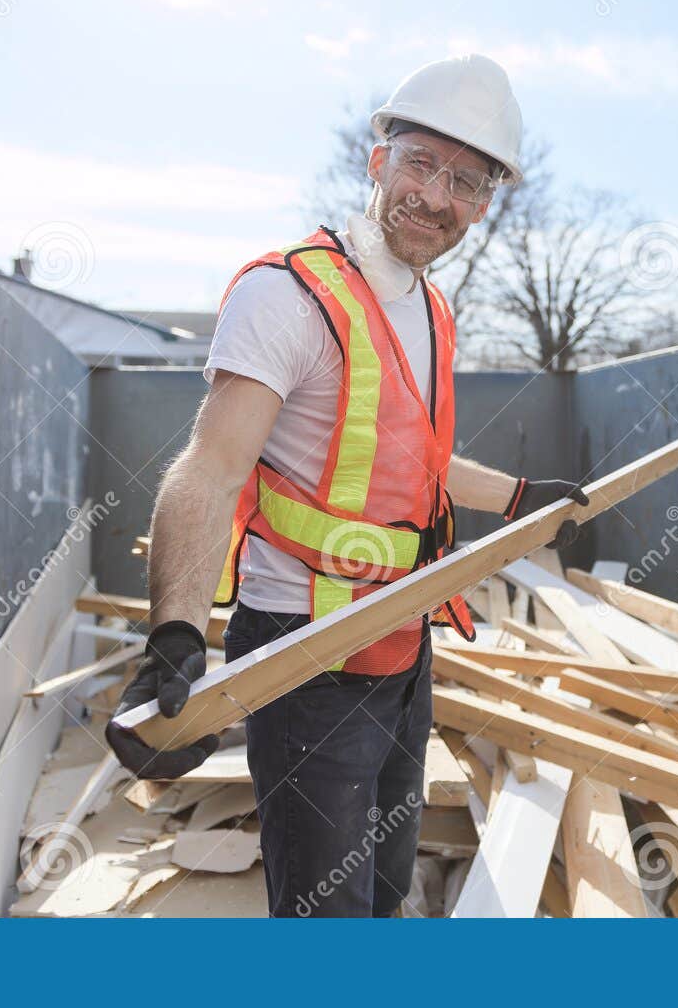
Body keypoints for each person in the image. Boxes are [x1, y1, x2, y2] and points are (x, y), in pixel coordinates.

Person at [105, 54, 587, 916]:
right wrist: (174, 638)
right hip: (304, 658)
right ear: (377, 162)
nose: (439, 198)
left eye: (468, 182)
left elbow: (422, 465)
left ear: (487, 202)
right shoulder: (287, 295)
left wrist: (518, 497)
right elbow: (209, 471)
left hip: (403, 647)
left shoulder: (431, 309)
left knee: (385, 895)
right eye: (422, 165)